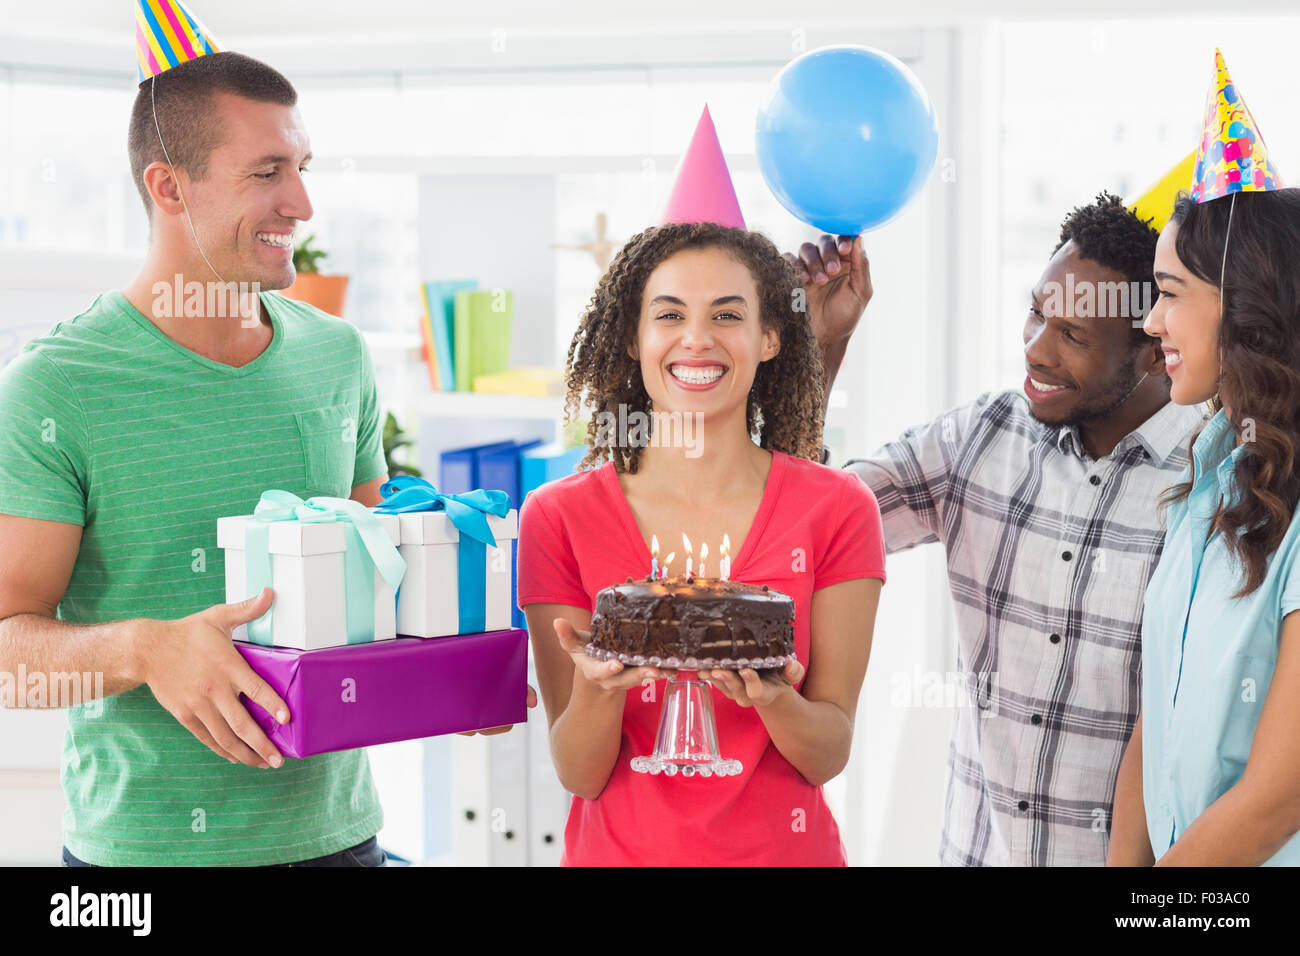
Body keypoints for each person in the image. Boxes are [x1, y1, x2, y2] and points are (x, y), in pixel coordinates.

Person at [0, 47, 529, 866]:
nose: (304, 202)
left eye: (304, 166)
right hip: (144, 861)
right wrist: (145, 648)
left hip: (342, 840)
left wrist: (445, 674)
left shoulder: (338, 356)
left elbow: (371, 579)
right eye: (268, 172)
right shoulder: (55, 388)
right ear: (169, 187)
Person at [791, 192, 1207, 865]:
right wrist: (822, 349)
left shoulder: (1214, 480)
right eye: (1036, 315)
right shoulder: (981, 437)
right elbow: (807, 522)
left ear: (1153, 353)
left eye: (1072, 336)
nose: (1036, 352)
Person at [517, 221, 886, 865]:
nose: (696, 338)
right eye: (669, 314)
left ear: (769, 337)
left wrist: (774, 698)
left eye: (726, 314)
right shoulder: (558, 516)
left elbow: (828, 752)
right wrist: (599, 689)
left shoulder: (839, 509)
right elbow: (580, 774)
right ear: (633, 337)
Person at [1106, 61, 1300, 863]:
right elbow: (1159, 719)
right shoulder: (1211, 477)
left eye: (1170, 292)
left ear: (1247, 305)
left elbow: (1278, 795)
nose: (1151, 321)